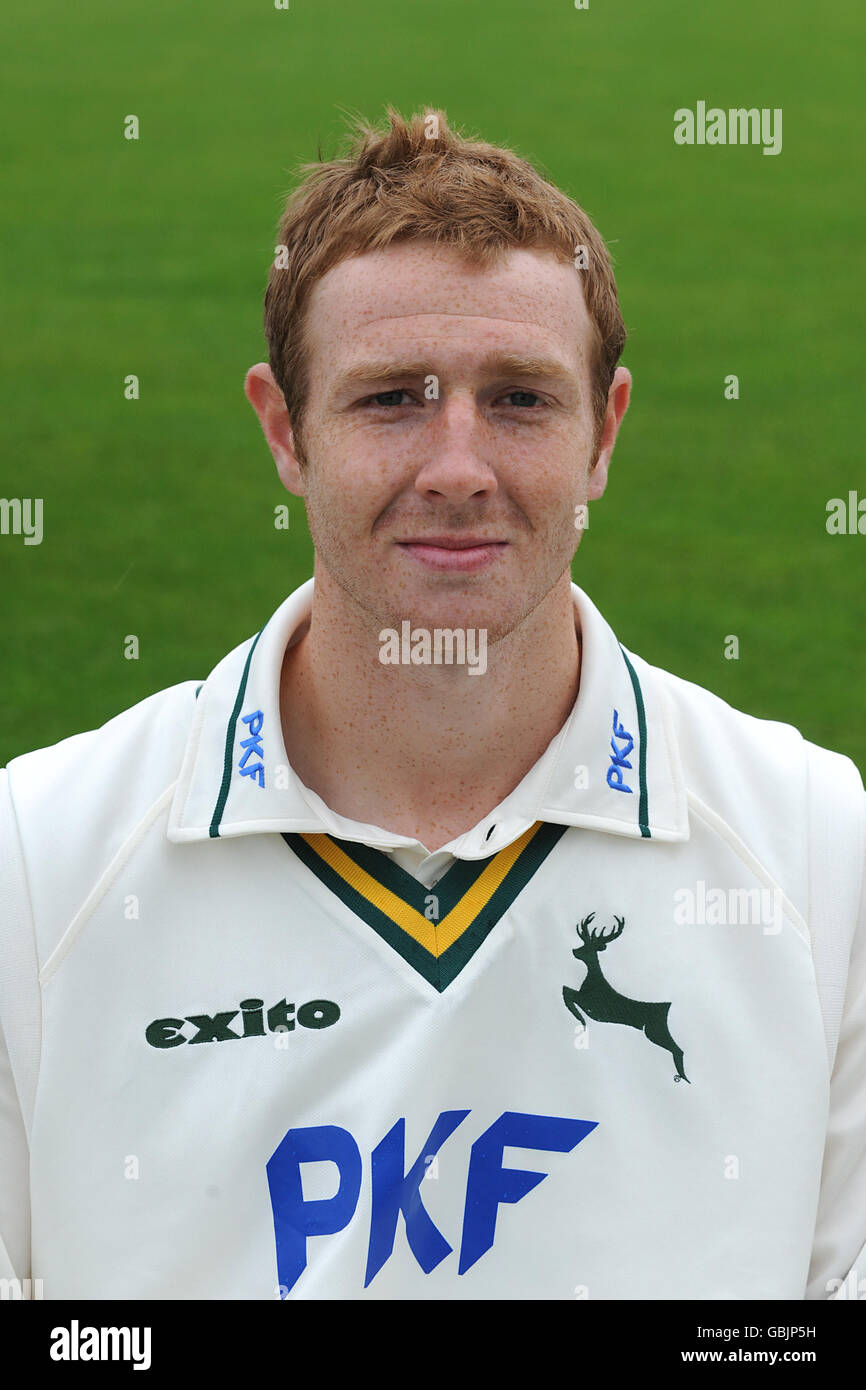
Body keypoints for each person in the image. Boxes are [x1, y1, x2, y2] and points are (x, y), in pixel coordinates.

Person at [1, 106, 863, 1301]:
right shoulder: (39, 859)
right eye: (390, 399)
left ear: (602, 433)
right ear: (283, 432)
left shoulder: (816, 848)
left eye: (517, 399)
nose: (457, 468)